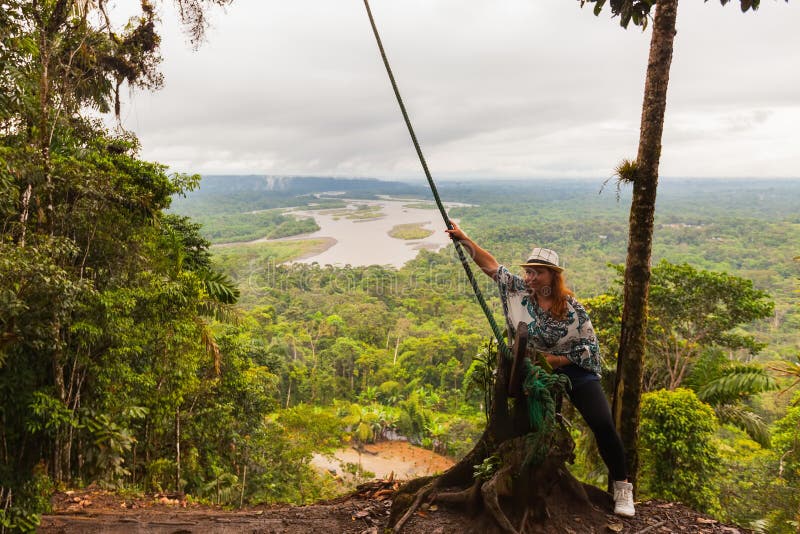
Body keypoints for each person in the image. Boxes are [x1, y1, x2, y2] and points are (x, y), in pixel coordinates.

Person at [445, 222, 635, 518]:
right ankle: (525, 485)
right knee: (530, 424)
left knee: (602, 423)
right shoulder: (521, 291)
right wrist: (464, 238)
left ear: (553, 277)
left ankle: (623, 488)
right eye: (529, 271)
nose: (530, 277)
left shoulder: (573, 310)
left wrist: (555, 360)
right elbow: (491, 266)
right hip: (534, 370)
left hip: (573, 369)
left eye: (538, 272)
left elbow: (589, 349)